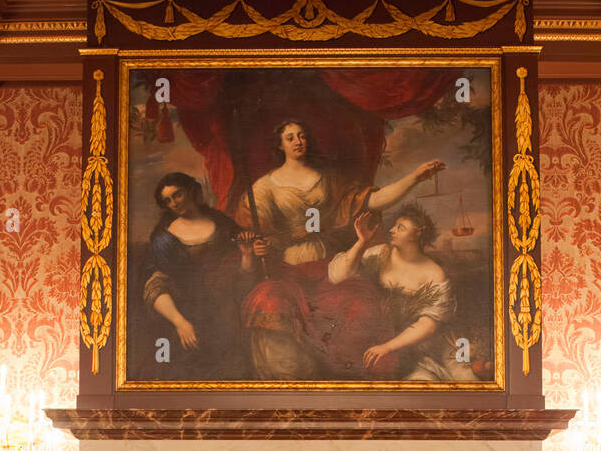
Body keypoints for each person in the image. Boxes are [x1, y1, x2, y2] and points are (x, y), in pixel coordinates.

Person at [237, 119, 445, 378]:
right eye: (290, 137)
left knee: (361, 304)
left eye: (301, 135)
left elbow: (375, 200)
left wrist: (415, 177)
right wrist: (259, 246)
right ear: (279, 145)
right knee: (271, 300)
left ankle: (356, 377)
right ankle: (293, 382)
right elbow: (257, 236)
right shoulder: (264, 187)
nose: (298, 141)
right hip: (288, 271)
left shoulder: (328, 181)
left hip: (329, 268)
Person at [137, 172, 265, 381]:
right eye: (167, 201)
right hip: (187, 311)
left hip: (227, 304)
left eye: (177, 194)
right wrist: (180, 323)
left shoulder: (222, 224)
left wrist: (248, 254)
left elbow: (241, 276)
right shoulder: (163, 239)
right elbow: (154, 285)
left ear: (191, 192)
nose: (174, 203)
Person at [328, 205, 468, 382]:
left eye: (400, 227)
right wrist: (361, 243)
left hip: (418, 345)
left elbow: (428, 325)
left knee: (429, 380)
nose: (392, 230)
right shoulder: (381, 253)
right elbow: (337, 276)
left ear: (417, 234)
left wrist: (387, 347)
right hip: (379, 334)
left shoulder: (434, 273)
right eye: (394, 226)